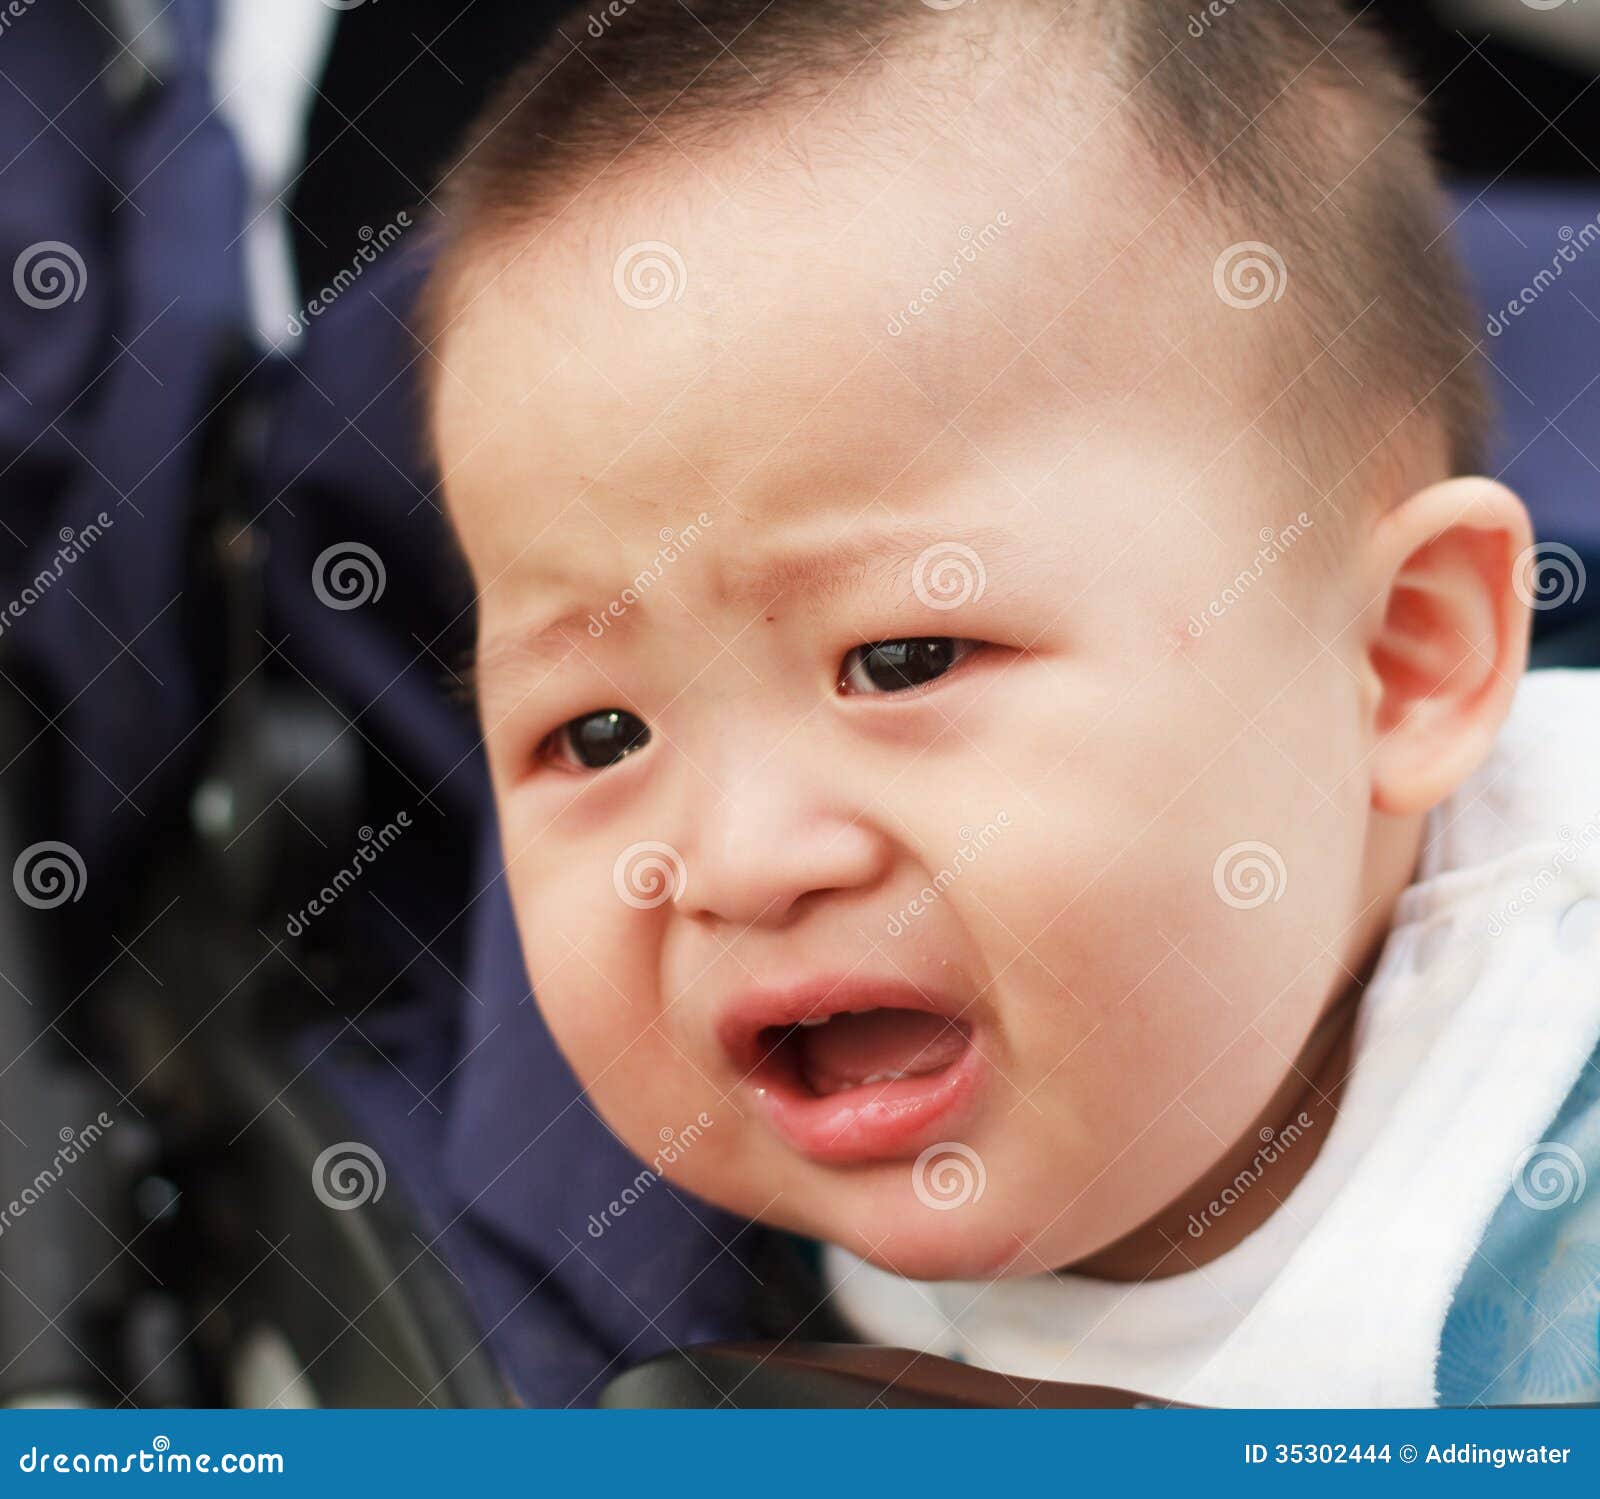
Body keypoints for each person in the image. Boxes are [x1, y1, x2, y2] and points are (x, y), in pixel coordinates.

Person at [415, 0, 1600, 1407]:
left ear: (1398, 659)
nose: (736, 862)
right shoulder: (677, 1272)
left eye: (905, 660)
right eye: (597, 735)